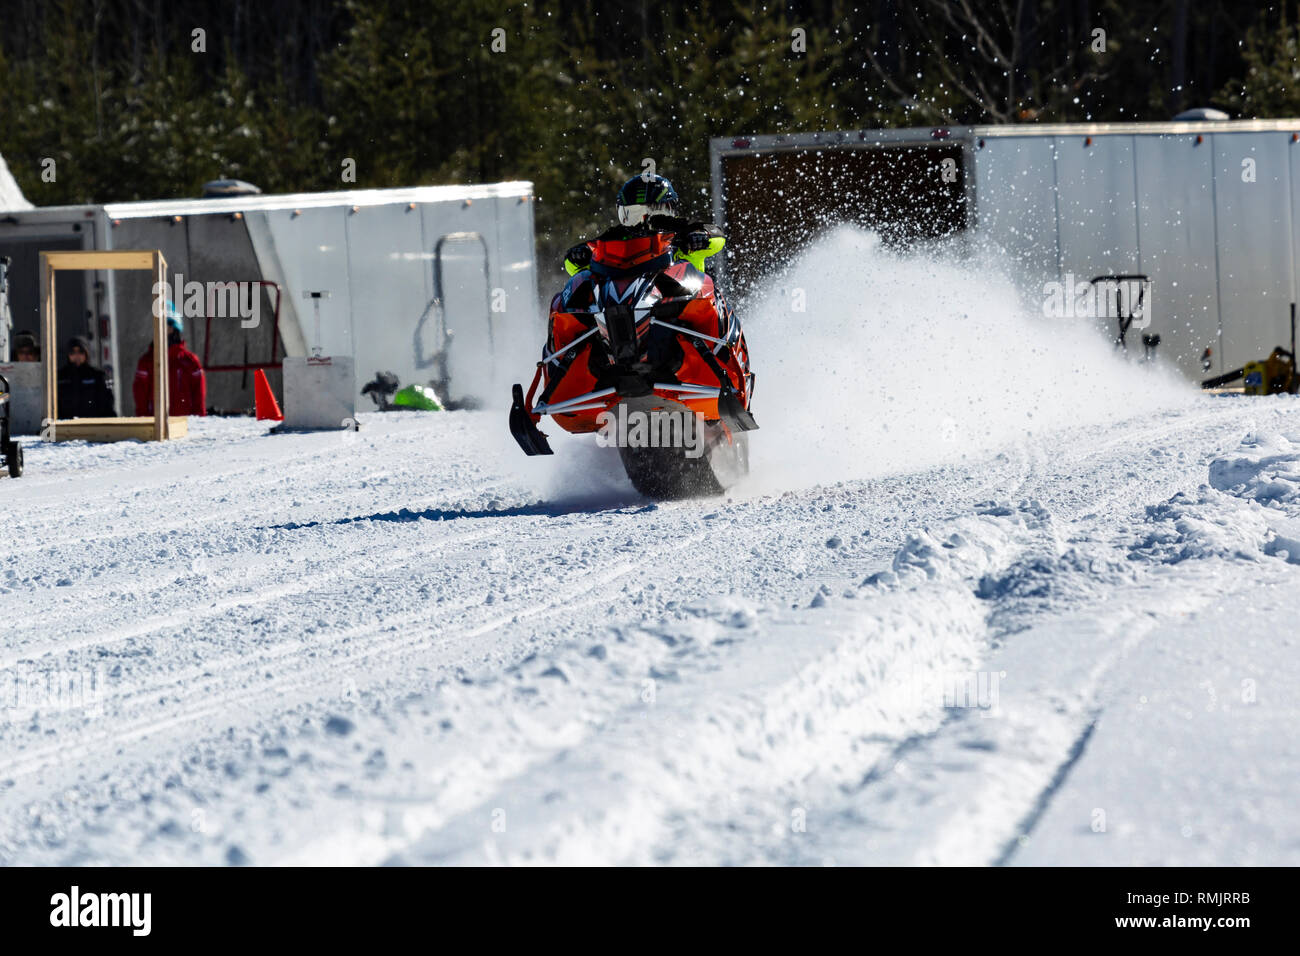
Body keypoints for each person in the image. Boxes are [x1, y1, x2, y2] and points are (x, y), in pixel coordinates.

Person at [563, 174, 727, 276]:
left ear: (667, 209)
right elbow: (583, 255)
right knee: (581, 284)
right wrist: (579, 254)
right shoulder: (618, 235)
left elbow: (717, 235)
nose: (643, 220)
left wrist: (702, 237)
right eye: (633, 214)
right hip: (629, 299)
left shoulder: (680, 230)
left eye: (653, 211)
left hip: (683, 296)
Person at [133, 302, 207, 417]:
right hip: (155, 429)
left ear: (174, 328)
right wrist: (144, 423)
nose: (160, 329)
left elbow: (199, 398)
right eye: (158, 324)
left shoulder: (190, 361)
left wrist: (199, 422)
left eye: (165, 324)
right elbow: (140, 399)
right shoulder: (146, 362)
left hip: (185, 428)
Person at [56, 336, 116, 418]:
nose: (77, 356)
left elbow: (107, 404)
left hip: (91, 425)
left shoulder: (98, 376)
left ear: (86, 354)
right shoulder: (60, 377)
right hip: (66, 426)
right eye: (72, 352)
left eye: (80, 352)